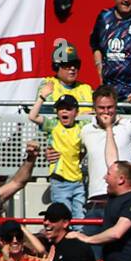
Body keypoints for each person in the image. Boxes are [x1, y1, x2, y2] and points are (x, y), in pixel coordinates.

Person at [28, 94, 89, 223]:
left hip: (78, 181)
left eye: (69, 108)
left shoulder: (81, 127)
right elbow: (32, 116)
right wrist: (42, 97)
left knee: (80, 217)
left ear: (76, 113)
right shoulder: (53, 125)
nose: (64, 111)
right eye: (61, 109)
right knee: (63, 217)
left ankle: (78, 240)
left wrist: (91, 113)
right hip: (60, 181)